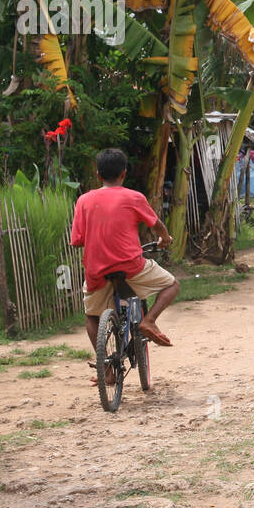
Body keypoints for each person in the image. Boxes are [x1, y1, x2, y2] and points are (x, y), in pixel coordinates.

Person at [71, 149, 180, 362]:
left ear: (98, 175)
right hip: (131, 265)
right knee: (172, 284)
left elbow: (77, 241)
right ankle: (148, 320)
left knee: (91, 316)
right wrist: (165, 238)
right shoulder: (133, 197)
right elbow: (156, 224)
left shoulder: (83, 201)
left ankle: (106, 367)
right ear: (124, 173)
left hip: (97, 271)